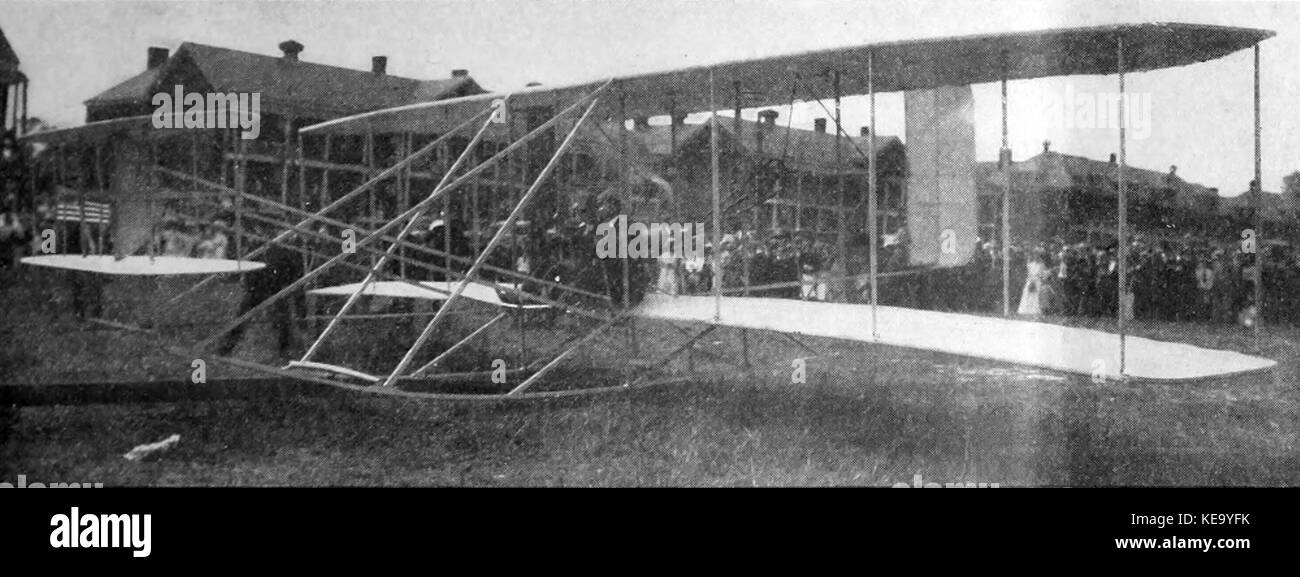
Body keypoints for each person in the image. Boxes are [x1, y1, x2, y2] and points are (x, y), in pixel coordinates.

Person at [217, 229, 305, 358]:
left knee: (283, 319)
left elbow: (291, 273)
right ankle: (227, 347)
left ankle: (284, 349)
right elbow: (246, 268)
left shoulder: (282, 251)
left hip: (272, 289)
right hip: (258, 290)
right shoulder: (257, 249)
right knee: (242, 318)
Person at [1017, 250, 1047, 317]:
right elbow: (1028, 273)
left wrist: (1040, 277)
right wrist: (1030, 280)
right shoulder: (1029, 264)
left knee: (1036, 295)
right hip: (1030, 280)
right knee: (1027, 294)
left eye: (1037, 256)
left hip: (1037, 280)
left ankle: (1035, 309)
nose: (1036, 257)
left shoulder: (1042, 265)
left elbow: (1043, 274)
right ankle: (1026, 309)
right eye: (1035, 255)